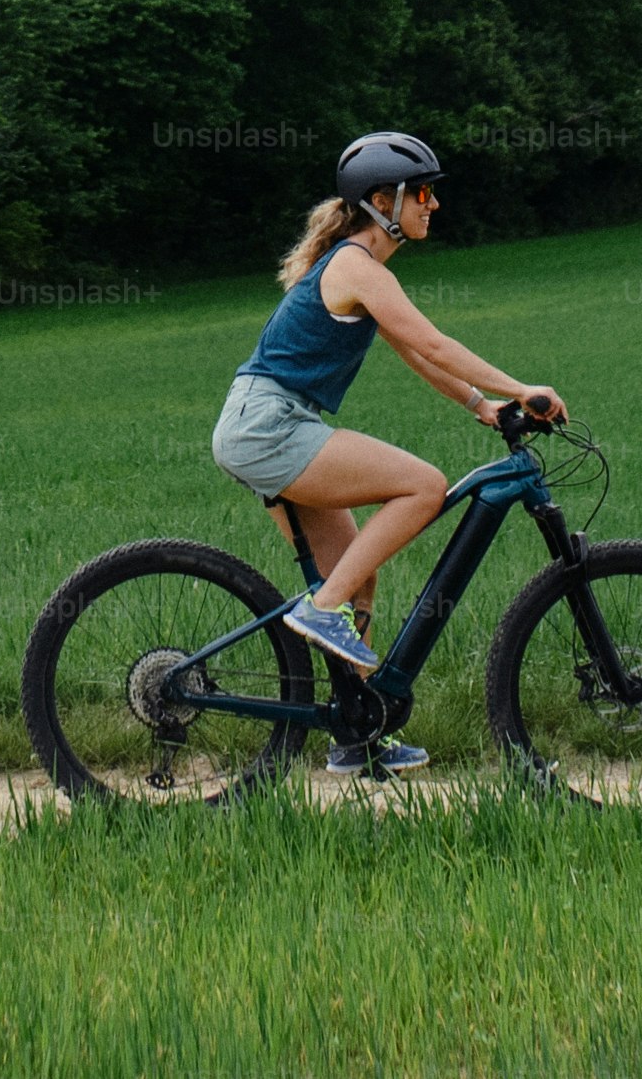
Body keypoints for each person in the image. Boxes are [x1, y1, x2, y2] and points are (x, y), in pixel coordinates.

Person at [212, 130, 567, 774]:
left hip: (266, 423)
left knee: (357, 570)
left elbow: (415, 354)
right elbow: (433, 342)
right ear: (382, 201)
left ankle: (358, 731)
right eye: (422, 193)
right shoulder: (354, 265)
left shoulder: (363, 272)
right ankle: (321, 612)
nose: (432, 205)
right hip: (270, 425)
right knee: (424, 486)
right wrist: (522, 388)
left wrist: (482, 407)